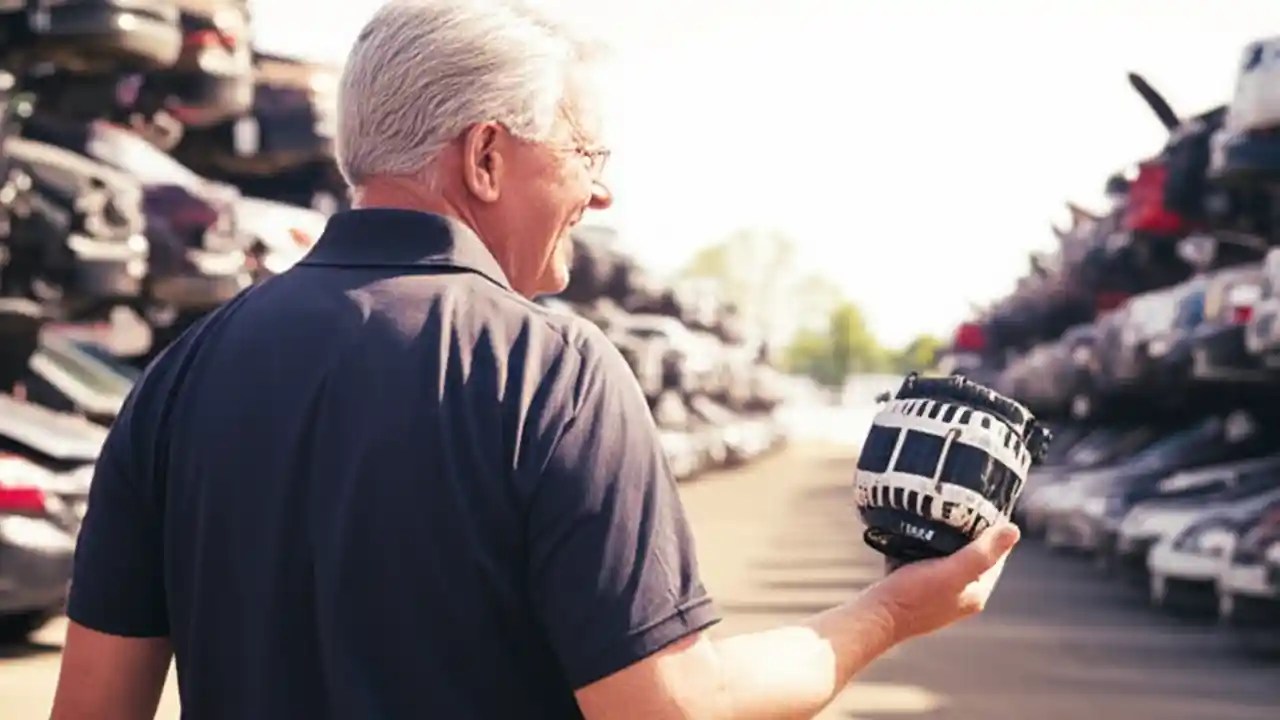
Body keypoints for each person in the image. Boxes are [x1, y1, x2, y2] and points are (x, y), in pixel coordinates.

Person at [50, 1, 1021, 718]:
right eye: (586, 157)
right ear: (483, 157)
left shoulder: (182, 376)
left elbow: (93, 711)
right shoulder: (549, 372)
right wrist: (885, 615)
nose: (600, 197)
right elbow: (665, 709)